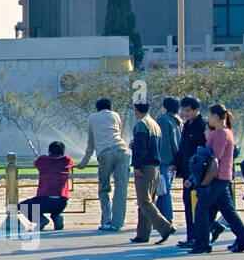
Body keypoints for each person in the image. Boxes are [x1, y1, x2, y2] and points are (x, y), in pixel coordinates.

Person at [189, 105, 244, 254]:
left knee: (202, 208)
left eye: (209, 115)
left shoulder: (220, 133)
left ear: (216, 116)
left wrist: (201, 151)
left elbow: (216, 154)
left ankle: (203, 243)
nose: (208, 118)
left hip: (217, 176)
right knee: (228, 212)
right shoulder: (226, 132)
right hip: (223, 176)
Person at [79, 98, 130, 232]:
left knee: (104, 188)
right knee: (121, 189)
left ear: (97, 108)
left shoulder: (92, 118)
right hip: (122, 151)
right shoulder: (116, 115)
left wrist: (84, 162)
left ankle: (106, 221)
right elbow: (117, 132)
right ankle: (117, 223)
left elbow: (91, 143)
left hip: (105, 153)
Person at [129, 102, 176, 244]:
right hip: (155, 167)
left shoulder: (141, 125)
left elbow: (141, 148)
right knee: (147, 201)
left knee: (144, 201)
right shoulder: (155, 124)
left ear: (137, 111)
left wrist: (137, 166)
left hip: (145, 167)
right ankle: (142, 234)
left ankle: (165, 227)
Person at [173, 96, 207, 249]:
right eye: (183, 110)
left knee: (195, 204)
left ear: (196, 110)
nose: (184, 113)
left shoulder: (201, 125)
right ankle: (192, 235)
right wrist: (177, 164)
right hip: (187, 171)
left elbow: (202, 151)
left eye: (188, 110)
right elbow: (183, 149)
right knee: (188, 203)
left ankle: (197, 236)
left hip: (196, 173)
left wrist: (195, 173)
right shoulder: (187, 124)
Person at [18, 141, 73, 231]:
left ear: (49, 151)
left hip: (44, 200)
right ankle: (57, 217)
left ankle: (41, 219)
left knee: (22, 206)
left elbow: (35, 163)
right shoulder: (67, 160)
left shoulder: (42, 160)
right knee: (56, 210)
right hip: (62, 202)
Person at [156, 97, 182, 223]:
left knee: (163, 190)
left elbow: (164, 143)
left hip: (164, 161)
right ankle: (158, 219)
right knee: (164, 189)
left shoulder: (163, 120)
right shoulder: (179, 121)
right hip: (174, 161)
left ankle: (166, 218)